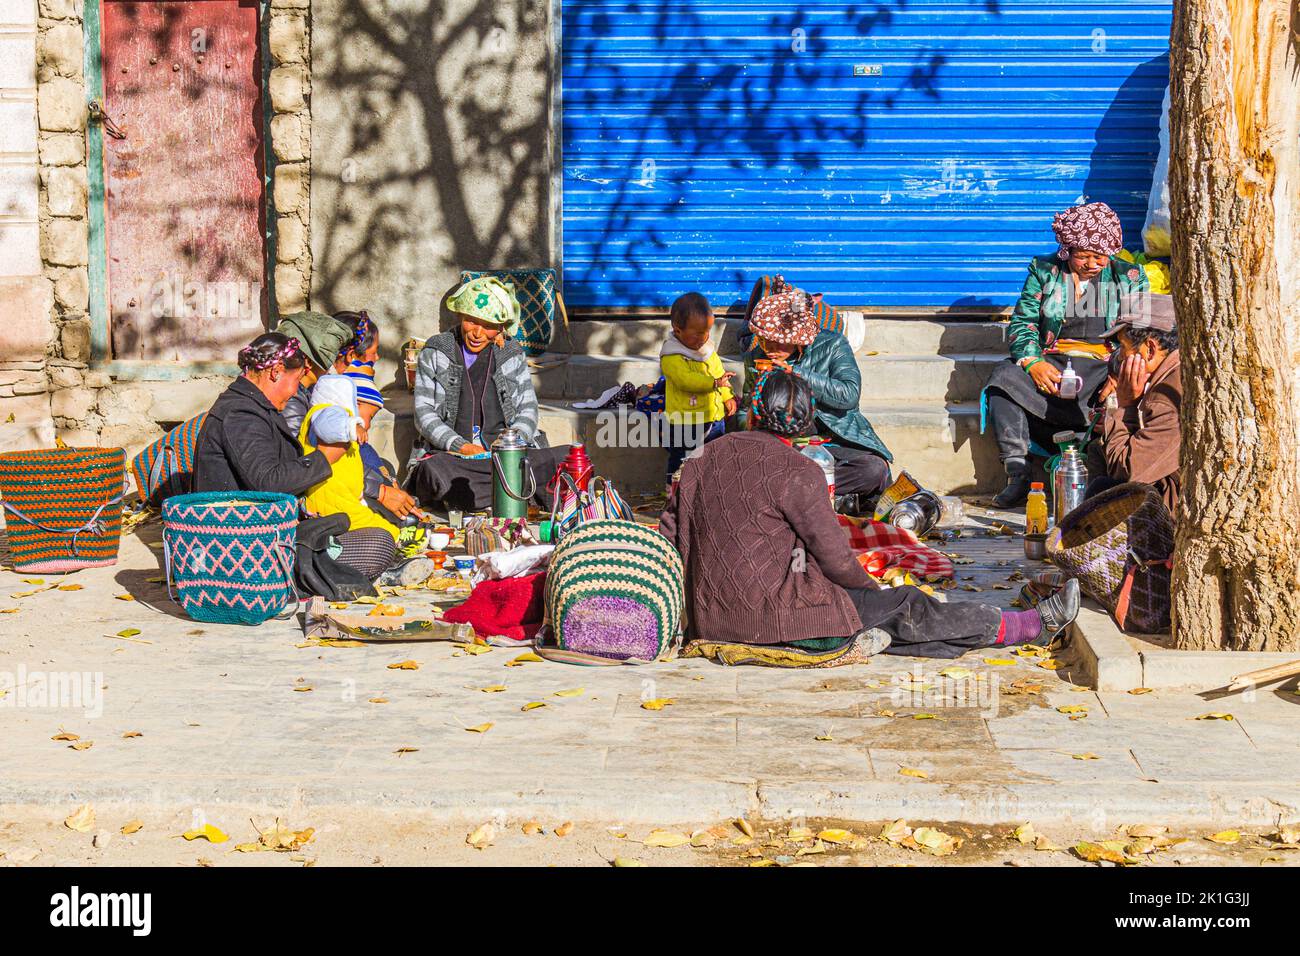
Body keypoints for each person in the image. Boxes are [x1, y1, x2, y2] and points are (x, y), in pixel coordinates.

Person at [659, 370, 1080, 659]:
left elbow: (671, 534)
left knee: (898, 627)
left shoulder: (701, 458)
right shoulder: (798, 470)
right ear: (806, 426)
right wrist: (870, 595)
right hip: (772, 620)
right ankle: (1029, 626)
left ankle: (894, 634)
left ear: (752, 412)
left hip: (708, 618)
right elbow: (835, 559)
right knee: (906, 605)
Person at [983, 201, 1149, 507]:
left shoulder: (1129, 276)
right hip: (1054, 361)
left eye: (1100, 257)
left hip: (1103, 366)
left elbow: (1139, 333)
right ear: (1066, 250)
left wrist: (1119, 372)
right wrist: (1033, 362)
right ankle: (1017, 472)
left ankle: (1106, 475)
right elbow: (1024, 322)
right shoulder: (1045, 271)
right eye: (1083, 256)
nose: (1092, 264)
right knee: (1003, 379)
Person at [405, 276, 569, 512]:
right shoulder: (436, 350)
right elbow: (424, 415)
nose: (477, 333)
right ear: (461, 316)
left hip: (505, 457)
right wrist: (462, 447)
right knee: (434, 471)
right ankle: (514, 491)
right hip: (455, 459)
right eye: (472, 321)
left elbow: (528, 410)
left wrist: (510, 451)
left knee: (565, 457)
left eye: (489, 325)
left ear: (501, 328)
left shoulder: (511, 353)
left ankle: (493, 491)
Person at [740, 287, 892, 512]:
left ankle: (796, 493)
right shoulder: (757, 357)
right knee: (752, 470)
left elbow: (849, 394)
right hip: (786, 445)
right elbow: (745, 409)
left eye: (776, 342)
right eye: (763, 341)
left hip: (834, 440)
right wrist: (754, 417)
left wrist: (797, 374)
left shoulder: (833, 345)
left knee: (873, 470)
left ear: (797, 337)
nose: (769, 350)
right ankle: (829, 498)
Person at [194, 333, 331, 496]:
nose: (295, 392)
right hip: (234, 519)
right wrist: (325, 457)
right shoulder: (241, 414)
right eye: (297, 379)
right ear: (276, 371)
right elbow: (268, 484)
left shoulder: (255, 407)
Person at [1087, 292, 1182, 516]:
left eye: (1123, 346)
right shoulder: (1173, 369)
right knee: (1096, 450)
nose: (1119, 356)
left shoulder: (1166, 397)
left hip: (1177, 507)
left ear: (1149, 349)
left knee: (1103, 488)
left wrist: (1124, 408)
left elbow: (1127, 473)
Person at [297, 374, 399, 579]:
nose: (367, 425)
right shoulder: (326, 413)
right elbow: (328, 422)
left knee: (383, 526)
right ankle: (392, 555)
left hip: (345, 499)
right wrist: (351, 425)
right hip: (332, 504)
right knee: (384, 535)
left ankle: (392, 558)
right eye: (369, 417)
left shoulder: (338, 419)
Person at [660, 292, 735, 485]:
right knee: (680, 461)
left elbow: (719, 372)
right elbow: (685, 380)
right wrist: (713, 383)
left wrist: (727, 396)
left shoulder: (706, 350)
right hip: (685, 422)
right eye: (698, 333)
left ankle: (707, 494)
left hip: (713, 418)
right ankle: (674, 495)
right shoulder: (672, 355)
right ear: (678, 330)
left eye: (707, 331)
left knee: (713, 459)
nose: (704, 338)